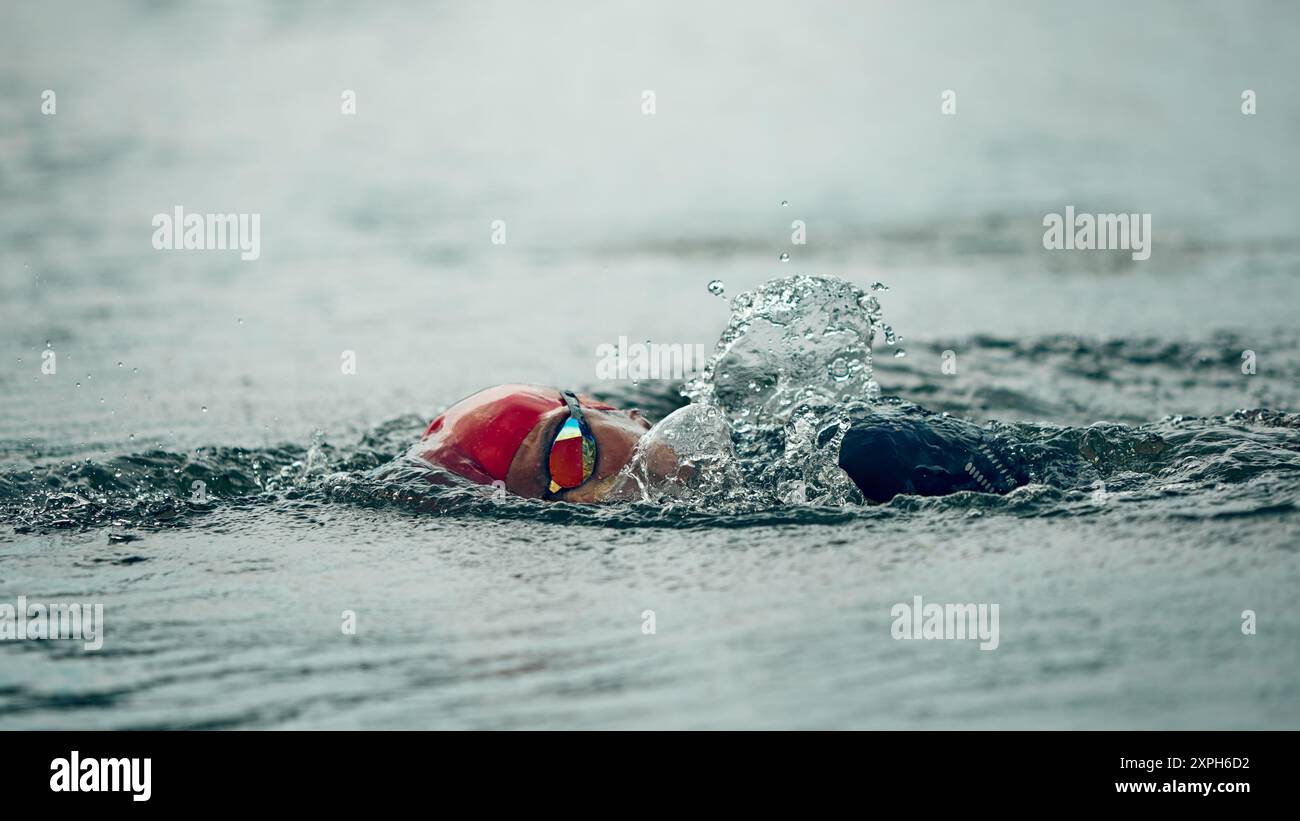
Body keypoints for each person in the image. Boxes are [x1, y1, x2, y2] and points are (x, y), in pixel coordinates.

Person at [415, 383, 1047, 504]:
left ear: (626, 414)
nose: (599, 494)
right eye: (554, 498)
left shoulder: (851, 449)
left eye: (569, 455)